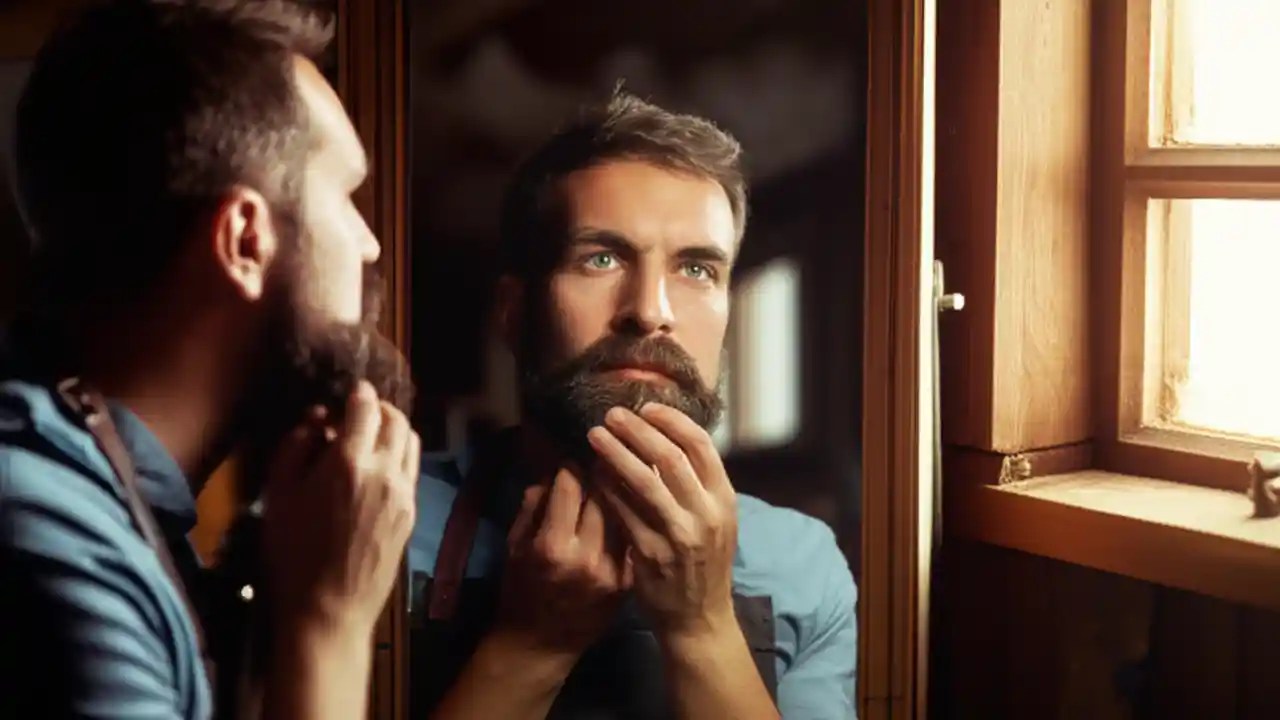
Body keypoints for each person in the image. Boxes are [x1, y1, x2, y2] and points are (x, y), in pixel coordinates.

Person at [0, 1, 420, 718]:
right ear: (246, 240)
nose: (369, 244)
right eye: (346, 197)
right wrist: (330, 627)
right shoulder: (51, 536)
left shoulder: (113, 503)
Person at [409, 89, 858, 719]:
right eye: (601, 257)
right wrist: (531, 646)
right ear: (515, 314)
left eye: (697, 270)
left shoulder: (799, 565)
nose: (650, 310)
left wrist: (702, 627)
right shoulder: (387, 530)